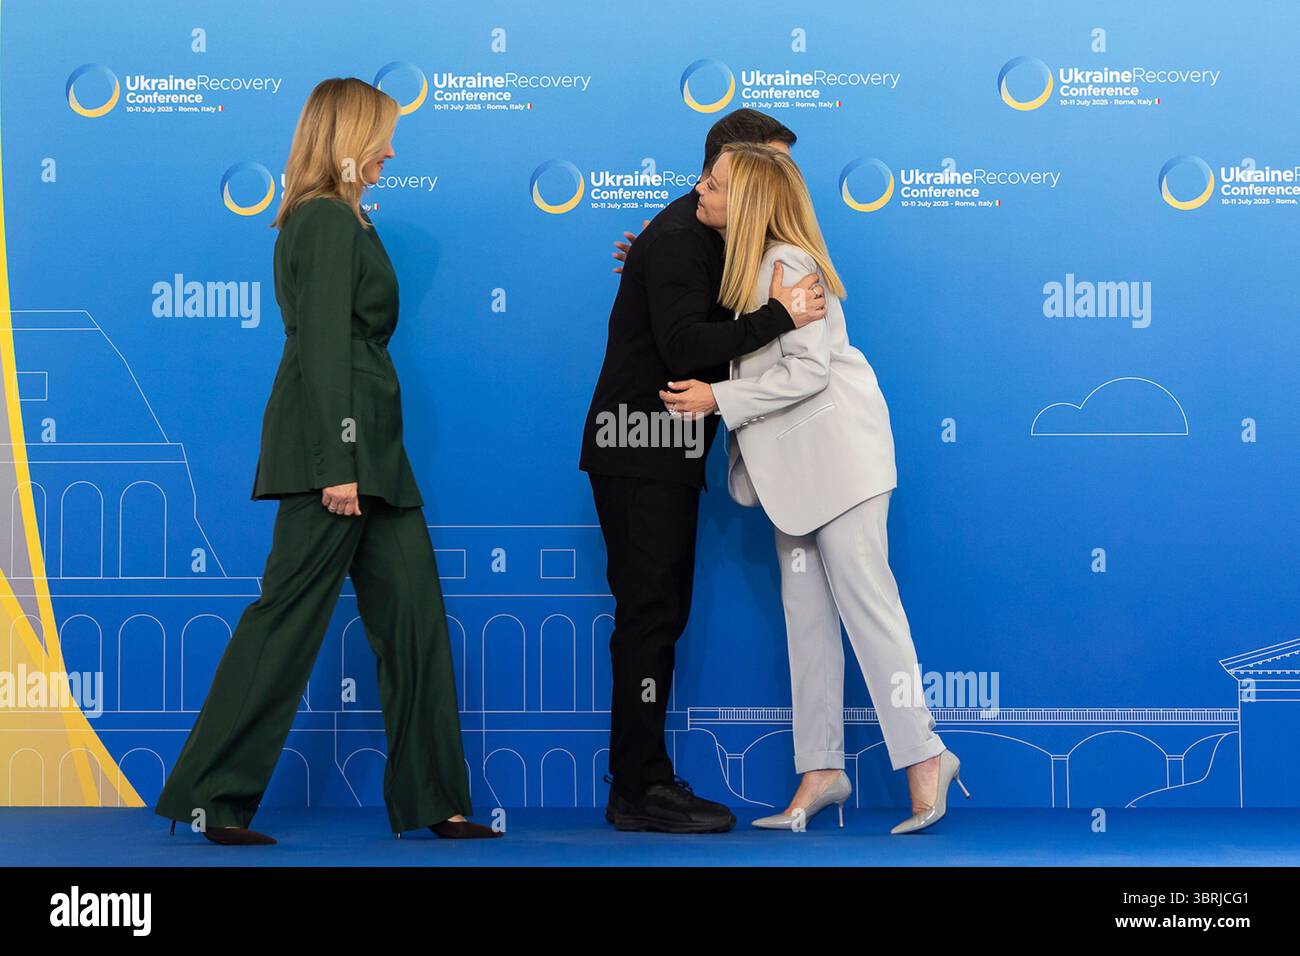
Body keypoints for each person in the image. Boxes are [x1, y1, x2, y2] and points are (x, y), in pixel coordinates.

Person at [154, 77, 499, 844]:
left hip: (377, 450)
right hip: (336, 452)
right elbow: (320, 346)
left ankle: (434, 801)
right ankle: (211, 799)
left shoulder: (345, 219)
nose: (391, 150)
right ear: (349, 142)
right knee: (286, 622)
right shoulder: (321, 222)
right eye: (382, 135)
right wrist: (337, 460)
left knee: (413, 619)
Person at [659, 143, 971, 834]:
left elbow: (809, 372)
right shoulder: (746, 268)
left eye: (715, 184)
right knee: (807, 620)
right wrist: (646, 257)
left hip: (840, 464)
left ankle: (926, 757)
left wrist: (720, 398)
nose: (700, 190)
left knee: (869, 609)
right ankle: (822, 770)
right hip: (793, 477)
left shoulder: (789, 265)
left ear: (751, 203)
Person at [579, 109, 829, 833]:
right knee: (650, 616)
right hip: (640, 447)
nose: (781, 183)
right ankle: (639, 787)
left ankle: (640, 779)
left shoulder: (696, 241)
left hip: (657, 448)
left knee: (656, 615)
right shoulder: (682, 237)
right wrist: (779, 315)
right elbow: (688, 344)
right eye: (769, 167)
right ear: (731, 169)